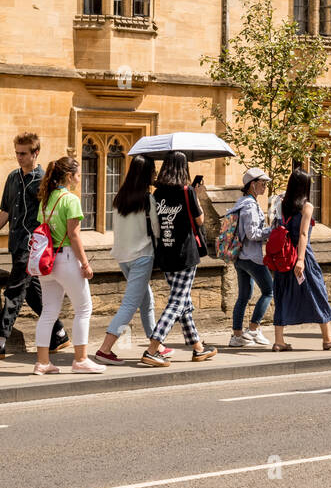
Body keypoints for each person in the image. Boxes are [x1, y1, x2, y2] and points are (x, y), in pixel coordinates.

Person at [0, 133, 69, 360]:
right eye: (17, 153)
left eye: (23, 153)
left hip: (33, 246)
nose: (19, 157)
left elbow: (52, 214)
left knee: (14, 291)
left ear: (35, 153)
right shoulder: (12, 177)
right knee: (33, 295)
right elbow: (6, 210)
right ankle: (59, 334)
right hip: (16, 243)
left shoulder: (44, 181)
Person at [94, 155, 173, 364]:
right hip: (141, 257)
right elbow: (156, 231)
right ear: (147, 173)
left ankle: (156, 343)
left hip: (123, 257)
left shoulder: (119, 198)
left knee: (146, 300)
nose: (155, 174)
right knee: (129, 305)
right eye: (153, 171)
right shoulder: (147, 199)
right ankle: (105, 348)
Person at [141, 152, 216, 367]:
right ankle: (152, 349)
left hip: (166, 253)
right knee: (176, 303)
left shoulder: (158, 192)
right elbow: (199, 220)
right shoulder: (187, 190)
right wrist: (199, 196)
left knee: (183, 302)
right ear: (183, 168)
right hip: (185, 254)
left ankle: (198, 348)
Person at [31, 156, 105, 374]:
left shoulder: (46, 198)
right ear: (70, 176)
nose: (80, 178)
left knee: (49, 311)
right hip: (66, 259)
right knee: (84, 308)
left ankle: (43, 362)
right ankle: (81, 359)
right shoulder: (70, 199)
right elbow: (74, 236)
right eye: (78, 174)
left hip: (47, 262)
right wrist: (85, 263)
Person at [272, 169, 331, 351]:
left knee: (281, 295)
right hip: (301, 256)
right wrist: (301, 260)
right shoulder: (307, 206)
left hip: (283, 257)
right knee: (318, 291)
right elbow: (303, 234)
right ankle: (327, 338)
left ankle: (279, 341)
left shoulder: (281, 204)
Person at [225, 167, 275, 348]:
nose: (264, 186)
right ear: (252, 184)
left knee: (244, 296)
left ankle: (237, 336)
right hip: (251, 257)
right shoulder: (250, 205)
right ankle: (253, 330)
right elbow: (253, 233)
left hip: (240, 258)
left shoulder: (242, 202)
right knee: (270, 291)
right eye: (262, 183)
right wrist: (273, 231)